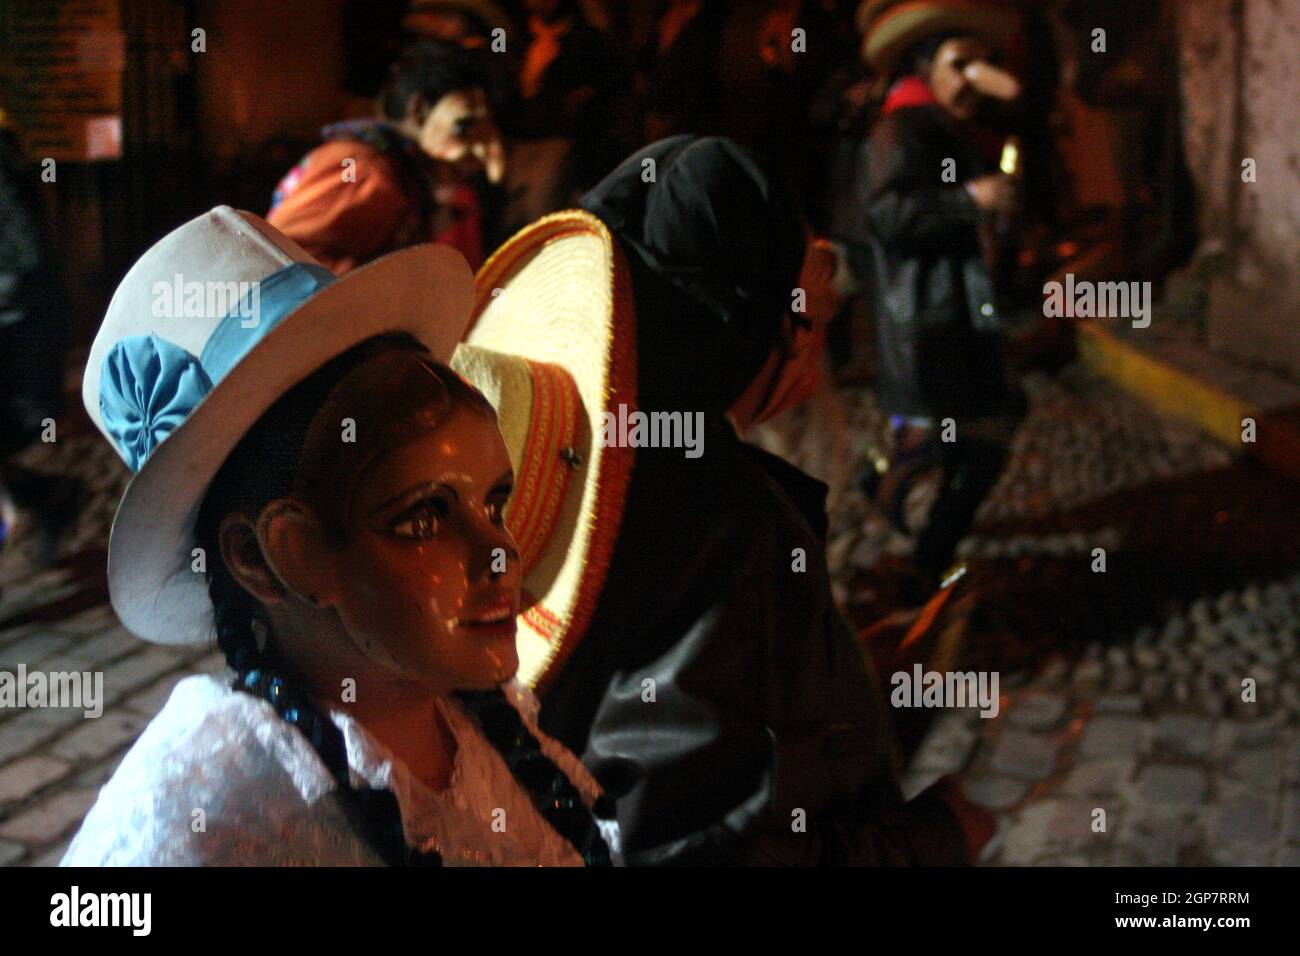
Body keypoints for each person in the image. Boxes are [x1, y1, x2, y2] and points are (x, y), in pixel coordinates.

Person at [457, 136, 994, 865]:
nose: (815, 350)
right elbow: (699, 852)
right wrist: (936, 838)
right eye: (803, 322)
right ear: (749, 340)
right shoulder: (724, 526)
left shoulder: (536, 445)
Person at [61, 207, 612, 866]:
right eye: (421, 517)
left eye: (494, 502)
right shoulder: (207, 823)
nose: (501, 553)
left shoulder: (481, 725)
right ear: (267, 558)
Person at [853, 0, 1027, 581]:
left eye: (982, 64)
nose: (974, 78)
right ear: (925, 66)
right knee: (984, 437)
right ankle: (927, 559)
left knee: (977, 428)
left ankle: (891, 485)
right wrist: (967, 201)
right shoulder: (899, 130)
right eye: (960, 64)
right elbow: (888, 217)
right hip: (929, 321)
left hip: (959, 317)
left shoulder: (959, 130)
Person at [267, 38, 504, 275]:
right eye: (462, 127)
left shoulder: (410, 177)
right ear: (419, 111)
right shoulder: (368, 171)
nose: (480, 149)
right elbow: (280, 262)